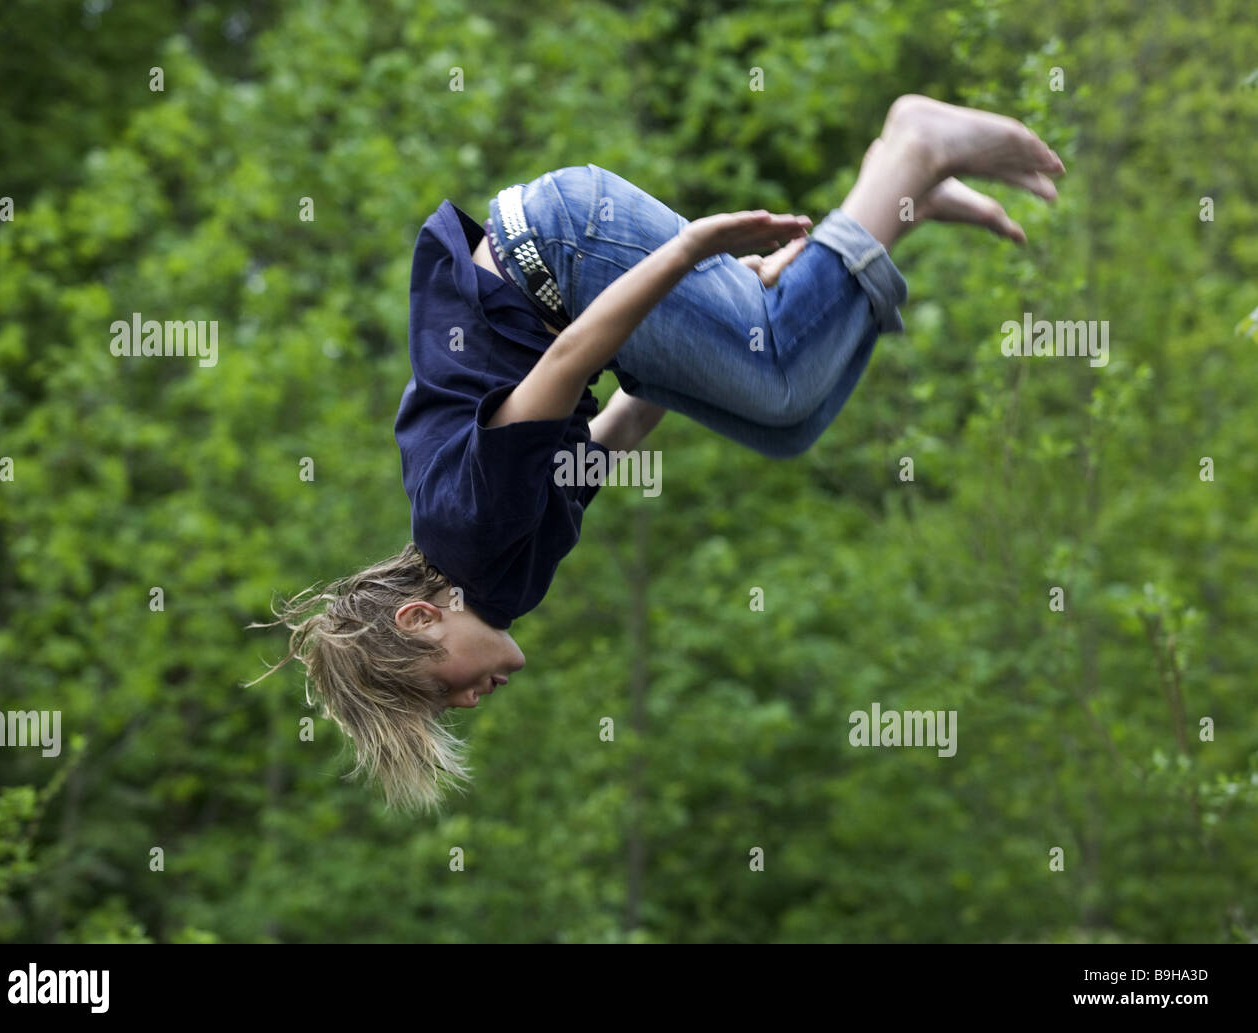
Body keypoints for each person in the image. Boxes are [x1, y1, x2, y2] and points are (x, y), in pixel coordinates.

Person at [250, 95, 1065, 812]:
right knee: (781, 422)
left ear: (422, 618)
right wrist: (719, 332)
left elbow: (568, 361)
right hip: (569, 263)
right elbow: (620, 428)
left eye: (441, 691)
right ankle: (902, 199)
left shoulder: (466, 527)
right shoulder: (502, 571)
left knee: (779, 379)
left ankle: (914, 147)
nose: (467, 702)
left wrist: (687, 259)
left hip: (564, 249)